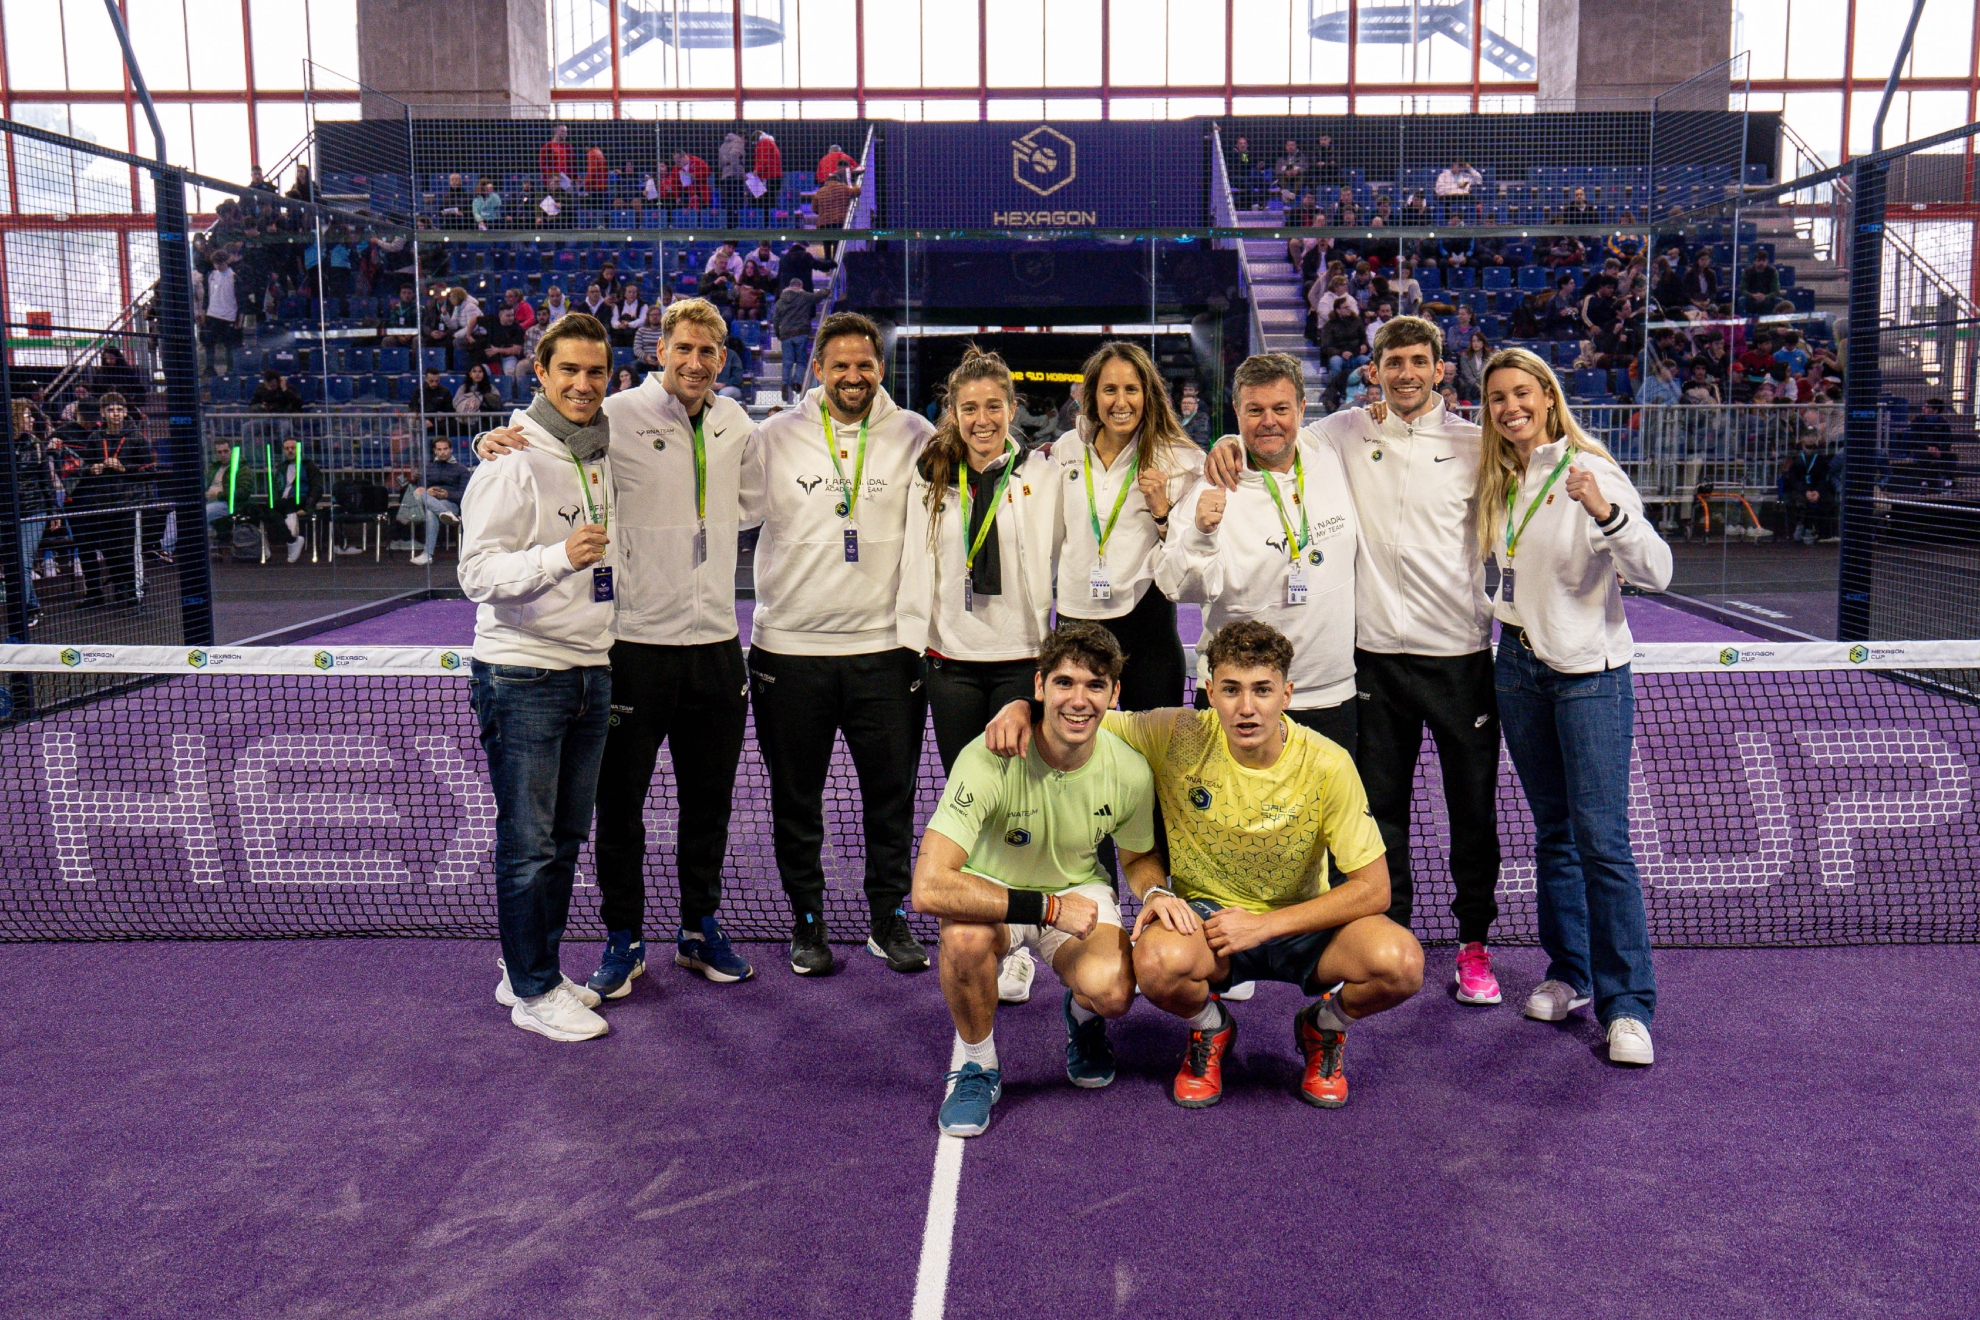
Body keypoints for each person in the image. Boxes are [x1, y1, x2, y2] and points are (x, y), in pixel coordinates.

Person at [984, 620, 1425, 1109]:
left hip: (1301, 921)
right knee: (1153, 964)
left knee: (1400, 964)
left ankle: (1324, 1027)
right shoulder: (1179, 734)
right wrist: (1021, 705)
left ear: (1288, 693)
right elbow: (1081, 711)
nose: (1247, 707)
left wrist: (1263, 926)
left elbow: (1373, 890)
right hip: (1209, 925)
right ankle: (1209, 1030)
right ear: (1210, 691)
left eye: (1262, 690)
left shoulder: (1327, 763)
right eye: (1231, 690)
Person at [1205, 316, 1506, 1006]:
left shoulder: (1474, 443)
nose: (1404, 373)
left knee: (1473, 811)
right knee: (1381, 814)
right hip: (1372, 662)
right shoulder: (1342, 432)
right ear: (1373, 372)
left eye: (1418, 361)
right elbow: (1267, 431)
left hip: (1459, 660)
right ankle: (1386, 929)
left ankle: (1474, 943)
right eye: (1392, 362)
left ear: (1440, 371)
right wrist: (1226, 441)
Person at [475, 298, 761, 993]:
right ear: (660, 349)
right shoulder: (617, 414)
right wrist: (496, 436)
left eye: (708, 352)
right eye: (683, 348)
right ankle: (624, 937)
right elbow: (546, 432)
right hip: (631, 649)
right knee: (619, 811)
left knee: (709, 804)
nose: (695, 362)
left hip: (719, 646)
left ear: (722, 358)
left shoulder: (735, 422)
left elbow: (750, 503)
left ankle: (699, 926)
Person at [1473, 347, 1670, 1065]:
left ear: (1549, 399)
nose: (1510, 407)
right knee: (1553, 834)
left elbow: (1657, 569)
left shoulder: (1592, 471)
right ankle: (1570, 975)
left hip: (1589, 676)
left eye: (1522, 394)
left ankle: (1628, 1007)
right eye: (1496, 398)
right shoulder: (1501, 477)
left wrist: (1607, 512)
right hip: (1517, 666)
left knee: (1602, 842)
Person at [741, 312, 936, 976]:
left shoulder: (916, 435)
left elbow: (982, 471)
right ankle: (807, 921)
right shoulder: (772, 437)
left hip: (886, 653)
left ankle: (890, 917)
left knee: (892, 797)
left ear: (880, 368)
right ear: (817, 368)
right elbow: (705, 495)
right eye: (840, 365)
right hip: (787, 653)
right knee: (796, 801)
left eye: (866, 364)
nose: (854, 376)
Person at [913, 623, 1159, 1137]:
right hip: (996, 895)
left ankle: (1084, 1020)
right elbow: (930, 886)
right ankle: (978, 1064)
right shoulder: (987, 757)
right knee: (961, 938)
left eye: (1095, 685)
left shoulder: (1131, 771)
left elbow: (1137, 857)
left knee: (1113, 991)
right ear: (1040, 685)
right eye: (1065, 683)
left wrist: (1155, 891)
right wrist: (1046, 908)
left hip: (1078, 892)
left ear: (1115, 693)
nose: (1079, 699)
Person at [458, 311, 618, 1043]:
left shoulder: (598, 448)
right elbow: (476, 573)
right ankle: (530, 987)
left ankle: (535, 969)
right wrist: (559, 557)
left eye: (595, 373)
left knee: (561, 839)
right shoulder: (510, 458)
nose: (584, 385)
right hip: (523, 677)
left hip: (590, 672)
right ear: (541, 374)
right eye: (570, 372)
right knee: (528, 843)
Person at [1161, 354, 1358, 748]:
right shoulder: (1210, 486)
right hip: (1238, 700)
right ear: (1237, 411)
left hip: (1328, 694)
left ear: (1302, 408)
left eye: (1281, 408)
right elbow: (1175, 586)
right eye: (1255, 410)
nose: (1269, 421)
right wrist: (1201, 534)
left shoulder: (1335, 453)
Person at [898, 347, 1060, 773]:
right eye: (969, 408)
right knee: (966, 790)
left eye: (993, 406)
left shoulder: (1042, 473)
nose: (981, 420)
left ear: (1012, 408)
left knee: (1022, 793)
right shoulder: (930, 477)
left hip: (1023, 660)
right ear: (953, 412)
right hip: (951, 663)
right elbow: (915, 559)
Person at [70, 393, 157, 604]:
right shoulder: (95, 438)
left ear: (125, 412)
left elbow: (150, 469)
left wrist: (125, 469)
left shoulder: (136, 437)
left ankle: (134, 589)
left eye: (119, 410)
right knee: (109, 548)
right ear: (102, 413)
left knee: (127, 549)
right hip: (103, 501)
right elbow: (84, 468)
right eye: (111, 410)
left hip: (130, 501)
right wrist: (93, 468)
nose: (116, 414)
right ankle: (122, 587)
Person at [407, 437, 471, 566]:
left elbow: (465, 494)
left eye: (445, 449)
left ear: (451, 449)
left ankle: (427, 554)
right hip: (430, 501)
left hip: (450, 503)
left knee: (431, 512)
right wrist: (427, 490)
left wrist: (448, 494)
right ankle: (445, 514)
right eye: (439, 449)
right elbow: (420, 489)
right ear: (435, 451)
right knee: (420, 493)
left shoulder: (461, 470)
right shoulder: (428, 468)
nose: (442, 452)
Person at [773, 279, 831, 402]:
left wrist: (778, 333)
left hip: (786, 334)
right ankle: (797, 382)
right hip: (801, 333)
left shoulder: (781, 301)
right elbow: (817, 296)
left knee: (787, 362)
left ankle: (785, 383)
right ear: (800, 286)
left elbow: (775, 319)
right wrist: (826, 290)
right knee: (801, 361)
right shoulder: (804, 296)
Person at [1780, 428, 1834, 545]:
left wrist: (1817, 491)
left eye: (1812, 436)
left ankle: (1822, 532)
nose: (1810, 438)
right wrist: (1805, 491)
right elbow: (1792, 478)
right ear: (1802, 438)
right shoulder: (1794, 454)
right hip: (1799, 488)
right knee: (1798, 502)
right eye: (1807, 436)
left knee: (1828, 500)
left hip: (1816, 488)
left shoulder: (1822, 454)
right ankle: (1800, 526)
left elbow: (1825, 476)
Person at [198, 248, 241, 378]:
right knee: (209, 343)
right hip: (212, 314)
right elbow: (207, 295)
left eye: (220, 263)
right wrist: (204, 311)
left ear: (225, 262)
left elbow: (240, 299)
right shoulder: (211, 276)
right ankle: (210, 367)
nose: (218, 266)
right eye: (216, 263)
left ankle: (230, 368)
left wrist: (239, 318)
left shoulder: (233, 277)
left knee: (229, 345)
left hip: (228, 316)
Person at [1177, 382, 1211, 450]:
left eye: (1189, 403)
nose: (1186, 405)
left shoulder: (1202, 419)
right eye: (1184, 403)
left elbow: (1201, 443)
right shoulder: (1178, 419)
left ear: (1196, 406)